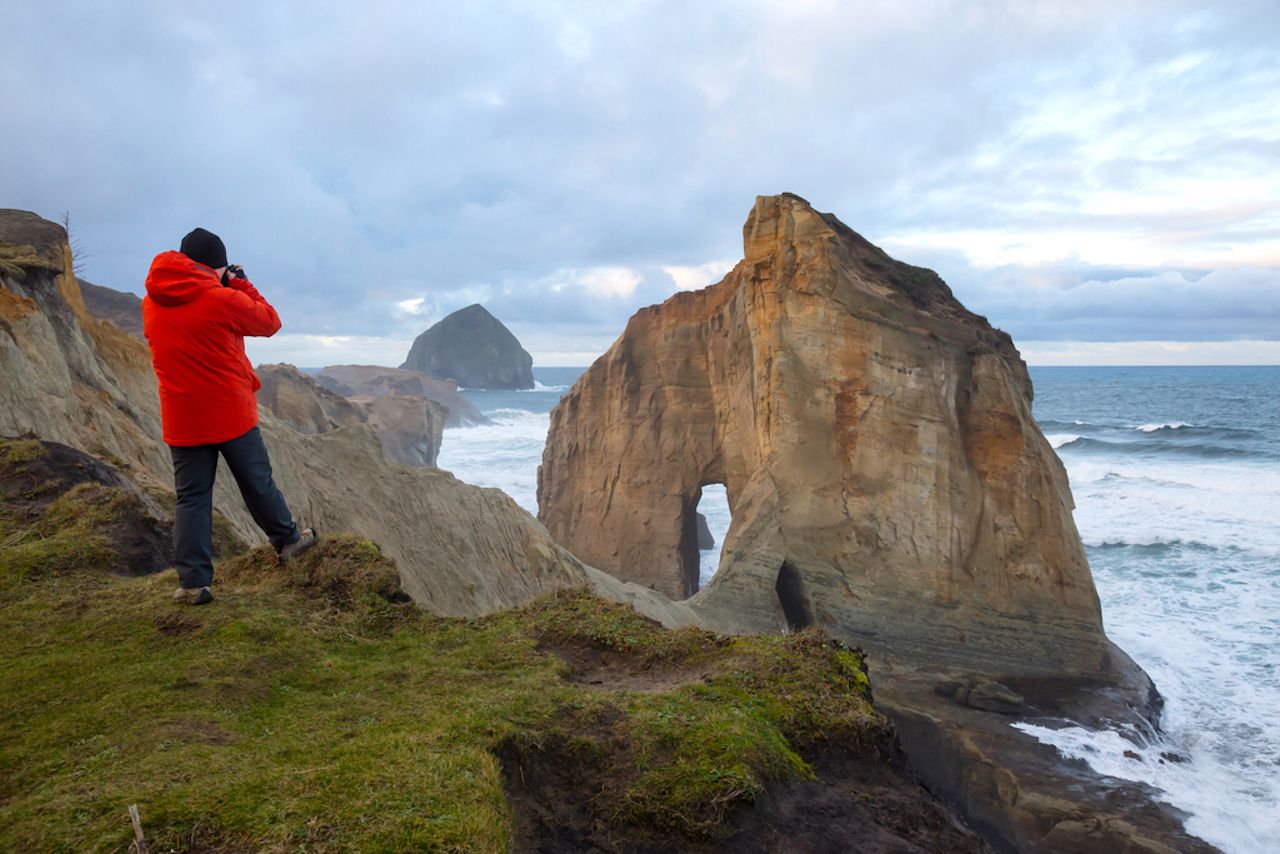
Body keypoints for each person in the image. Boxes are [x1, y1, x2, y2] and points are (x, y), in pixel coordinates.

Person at [143, 227, 317, 605]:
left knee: (191, 498)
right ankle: (288, 543)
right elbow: (269, 322)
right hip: (229, 413)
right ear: (216, 266)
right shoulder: (221, 298)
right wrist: (242, 284)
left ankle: (193, 583)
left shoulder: (151, 301)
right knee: (257, 483)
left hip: (182, 417)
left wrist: (222, 280)